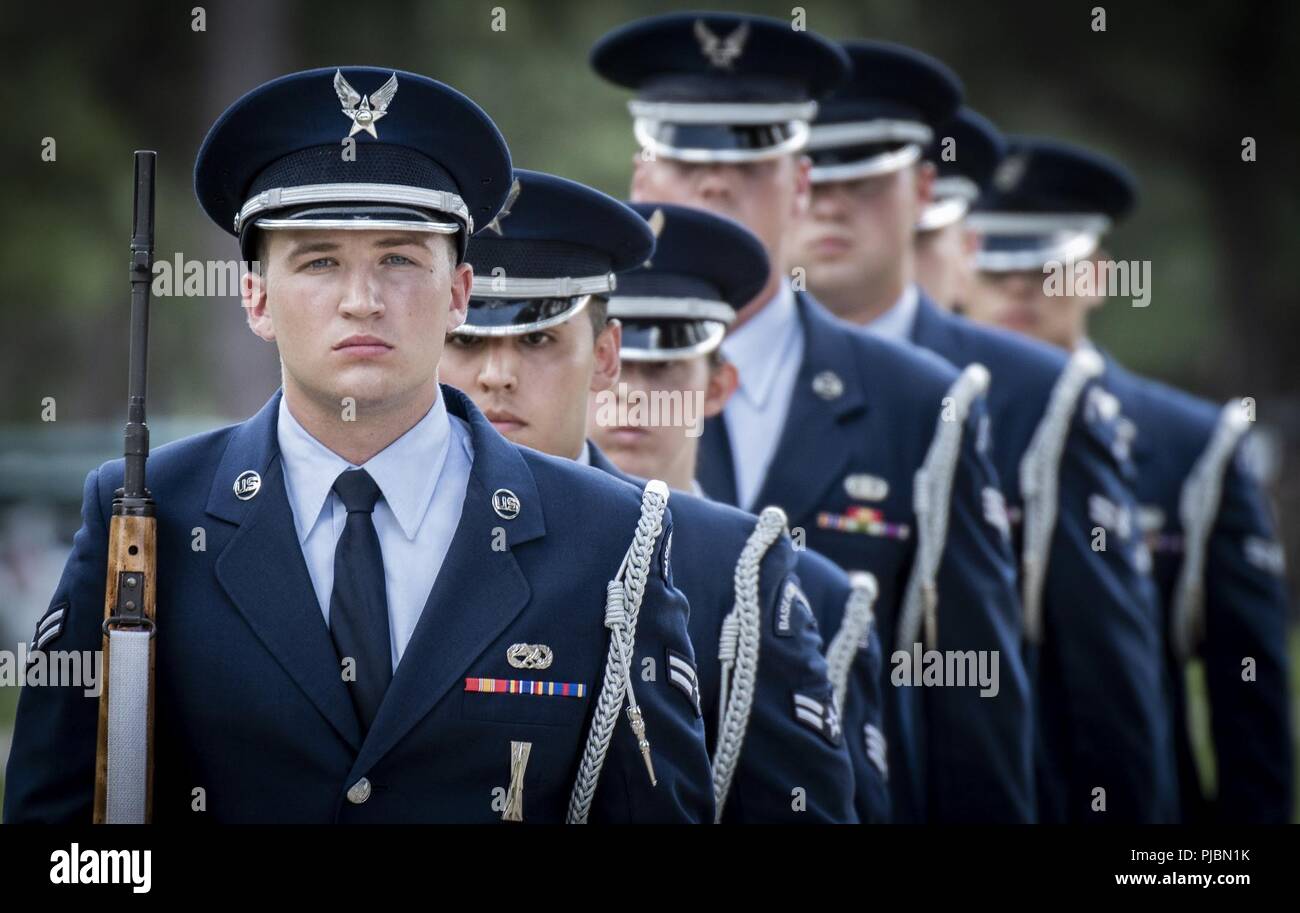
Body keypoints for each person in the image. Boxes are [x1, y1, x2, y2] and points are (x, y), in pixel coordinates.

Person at [4, 67, 714, 824]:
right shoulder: (146, 520)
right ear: (256, 298)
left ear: (459, 294)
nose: (362, 299)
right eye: (319, 261)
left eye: (400, 259)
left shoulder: (606, 540)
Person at [591, 11, 1033, 822]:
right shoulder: (571, 372)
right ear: (641, 180)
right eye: (687, 159)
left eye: (751, 162)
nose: (717, 184)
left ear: (799, 185)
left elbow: (970, 694)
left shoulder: (921, 403)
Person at [788, 41, 1175, 821]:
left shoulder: (1034, 394)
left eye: (860, 177)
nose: (830, 203)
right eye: (813, 176)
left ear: (923, 189)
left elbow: (1105, 689)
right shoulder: (705, 374)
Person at [441, 168, 863, 822]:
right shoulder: (359, 526)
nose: (498, 375)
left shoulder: (731, 570)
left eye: (537, 338)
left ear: (604, 355)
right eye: (466, 340)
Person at [963, 137, 1294, 822]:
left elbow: (1246, 694)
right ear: (958, 270)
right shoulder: (921, 421)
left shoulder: (1191, 442)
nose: (1022, 287)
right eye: (997, 270)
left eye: (1048, 268)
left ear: (1097, 275)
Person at [589, 199, 892, 822]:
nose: (633, 399)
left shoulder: (813, 594)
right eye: (618, 367)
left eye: (665, 366)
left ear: (721, 386)